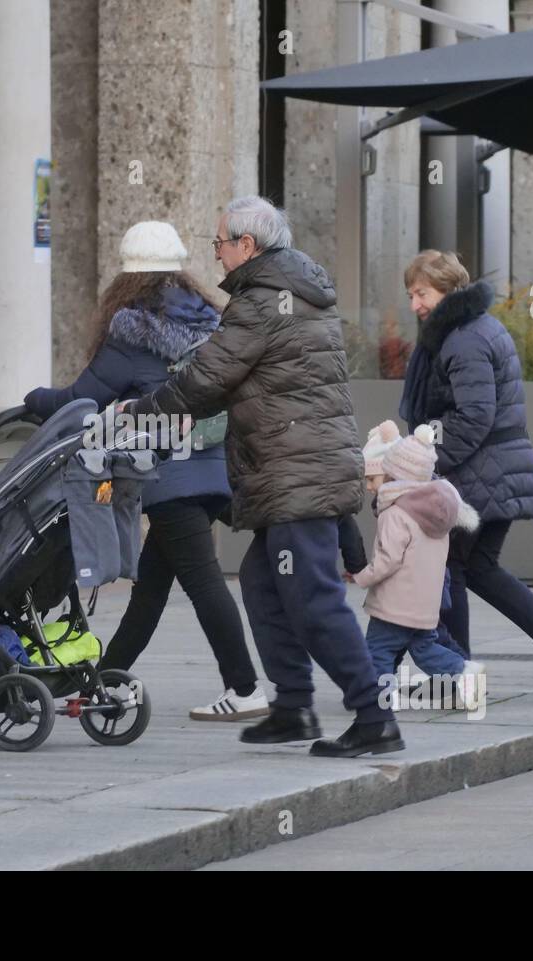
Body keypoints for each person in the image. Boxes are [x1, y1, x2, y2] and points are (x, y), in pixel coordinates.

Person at [128, 195, 403, 758]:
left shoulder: (261, 300)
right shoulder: (295, 290)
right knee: (262, 580)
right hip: (298, 465)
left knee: (315, 599)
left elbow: (209, 378)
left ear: (246, 246)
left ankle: (374, 718)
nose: (218, 254)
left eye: (220, 243)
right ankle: (294, 707)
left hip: (296, 471)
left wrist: (142, 412)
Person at [23, 221, 267, 721]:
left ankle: (245, 689)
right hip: (212, 468)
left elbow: (80, 399)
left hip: (169, 477)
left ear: (127, 276)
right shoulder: (210, 320)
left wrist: (33, 400)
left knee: (203, 584)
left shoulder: (133, 331)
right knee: (151, 591)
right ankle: (103, 685)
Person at [399, 250, 533, 694]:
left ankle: (456, 676)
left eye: (421, 293)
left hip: (479, 475)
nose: (414, 305)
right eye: (410, 295)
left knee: (450, 570)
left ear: (447, 290)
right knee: (477, 567)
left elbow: (474, 416)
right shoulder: (470, 329)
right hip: (493, 471)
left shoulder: (463, 338)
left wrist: (428, 458)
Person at [352, 421, 485, 706]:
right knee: (424, 648)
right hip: (426, 603)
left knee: (378, 650)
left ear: (393, 475)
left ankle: (377, 702)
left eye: (374, 478)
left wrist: (361, 576)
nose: (369, 487)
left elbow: (388, 560)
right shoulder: (438, 516)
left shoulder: (396, 514)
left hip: (396, 604)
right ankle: (463, 669)